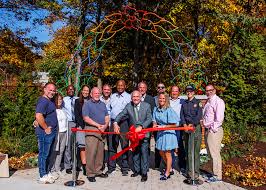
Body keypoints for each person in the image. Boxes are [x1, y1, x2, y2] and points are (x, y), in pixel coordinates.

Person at [114, 90, 152, 182]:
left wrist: (142, 126)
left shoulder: (146, 106)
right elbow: (121, 114)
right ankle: (137, 171)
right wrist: (115, 123)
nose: (135, 98)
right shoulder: (129, 106)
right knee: (135, 153)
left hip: (144, 134)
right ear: (131, 98)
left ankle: (144, 173)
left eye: (137, 97)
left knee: (144, 153)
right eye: (133, 97)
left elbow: (149, 119)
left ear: (140, 97)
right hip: (134, 135)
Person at [83, 87, 110, 182]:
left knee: (100, 152)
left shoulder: (102, 104)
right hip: (92, 130)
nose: (97, 95)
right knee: (91, 152)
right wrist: (98, 125)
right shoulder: (87, 104)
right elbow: (86, 118)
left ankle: (98, 171)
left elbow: (107, 116)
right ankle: (90, 173)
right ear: (91, 94)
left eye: (98, 93)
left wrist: (105, 125)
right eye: (95, 93)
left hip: (102, 130)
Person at [35, 82, 58, 184]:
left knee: (48, 154)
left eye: (53, 90)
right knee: (43, 154)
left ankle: (47, 172)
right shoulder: (43, 101)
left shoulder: (50, 101)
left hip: (51, 132)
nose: (52, 92)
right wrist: (45, 128)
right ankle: (42, 175)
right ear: (45, 89)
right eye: (50, 89)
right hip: (45, 133)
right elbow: (39, 115)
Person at [107, 80, 131, 176]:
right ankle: (111, 166)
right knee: (112, 145)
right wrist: (110, 123)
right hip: (113, 123)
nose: (120, 87)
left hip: (124, 123)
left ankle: (125, 167)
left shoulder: (129, 97)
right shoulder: (112, 97)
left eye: (122, 85)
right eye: (118, 85)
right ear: (116, 86)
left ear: (125, 86)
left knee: (125, 145)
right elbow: (109, 110)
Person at [152, 93, 179, 180]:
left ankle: (167, 173)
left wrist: (163, 126)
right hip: (160, 133)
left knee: (167, 153)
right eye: (160, 98)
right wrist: (154, 125)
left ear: (166, 99)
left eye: (163, 98)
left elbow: (175, 124)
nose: (161, 100)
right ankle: (170, 167)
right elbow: (154, 120)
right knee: (160, 151)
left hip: (168, 133)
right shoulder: (155, 109)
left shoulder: (169, 110)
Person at [203, 84, 225, 182]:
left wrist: (212, 129)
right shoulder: (209, 102)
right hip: (209, 131)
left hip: (214, 131)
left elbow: (219, 119)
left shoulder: (218, 101)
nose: (208, 92)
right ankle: (213, 173)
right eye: (207, 90)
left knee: (215, 154)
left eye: (210, 90)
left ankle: (218, 176)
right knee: (210, 153)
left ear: (215, 90)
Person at [180, 85, 203, 181]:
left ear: (194, 92)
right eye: (187, 91)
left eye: (190, 91)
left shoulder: (198, 103)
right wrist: (185, 124)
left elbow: (199, 116)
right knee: (188, 150)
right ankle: (189, 172)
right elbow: (182, 115)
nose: (189, 93)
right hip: (186, 129)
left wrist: (192, 124)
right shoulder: (184, 103)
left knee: (195, 151)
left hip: (195, 128)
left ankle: (196, 172)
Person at [49, 93, 68, 179]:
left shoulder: (63, 110)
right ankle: (52, 169)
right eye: (57, 99)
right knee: (54, 151)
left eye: (60, 99)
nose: (59, 101)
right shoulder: (53, 110)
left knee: (61, 151)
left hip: (64, 132)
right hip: (57, 133)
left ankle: (58, 168)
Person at [74, 85, 90, 175]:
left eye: (87, 91)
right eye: (84, 90)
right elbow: (77, 115)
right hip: (81, 126)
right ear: (81, 91)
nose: (86, 92)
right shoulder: (77, 101)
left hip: (90, 127)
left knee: (90, 147)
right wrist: (83, 125)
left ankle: (90, 165)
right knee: (82, 147)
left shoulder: (91, 101)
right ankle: (84, 167)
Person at [169, 86, 186, 173]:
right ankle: (170, 166)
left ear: (179, 92)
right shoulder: (167, 101)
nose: (174, 93)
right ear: (170, 92)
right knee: (170, 148)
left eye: (176, 91)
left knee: (180, 147)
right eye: (173, 91)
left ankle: (182, 166)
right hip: (169, 128)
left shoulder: (182, 101)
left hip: (179, 128)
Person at [63, 85, 78, 174]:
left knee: (76, 145)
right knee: (68, 145)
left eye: (72, 89)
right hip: (68, 123)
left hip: (77, 123)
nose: (71, 90)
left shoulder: (78, 99)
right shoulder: (64, 100)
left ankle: (75, 164)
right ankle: (67, 166)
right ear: (66, 91)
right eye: (69, 89)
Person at [153, 83, 166, 169]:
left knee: (166, 146)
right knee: (158, 145)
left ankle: (167, 165)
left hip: (166, 126)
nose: (160, 88)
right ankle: (157, 164)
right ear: (157, 89)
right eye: (159, 87)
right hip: (156, 126)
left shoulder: (168, 98)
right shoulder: (153, 99)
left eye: (162, 87)